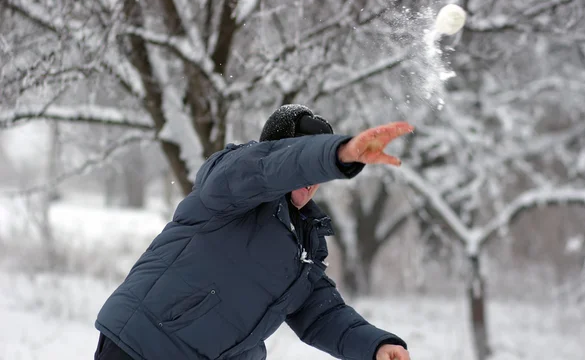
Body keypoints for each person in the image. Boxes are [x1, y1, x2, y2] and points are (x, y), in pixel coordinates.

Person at [94, 104, 413, 360]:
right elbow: (268, 167)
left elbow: (320, 312)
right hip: (145, 344)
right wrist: (337, 154)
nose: (313, 179)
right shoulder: (231, 183)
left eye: (319, 173)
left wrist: (375, 346)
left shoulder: (304, 243)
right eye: (307, 160)